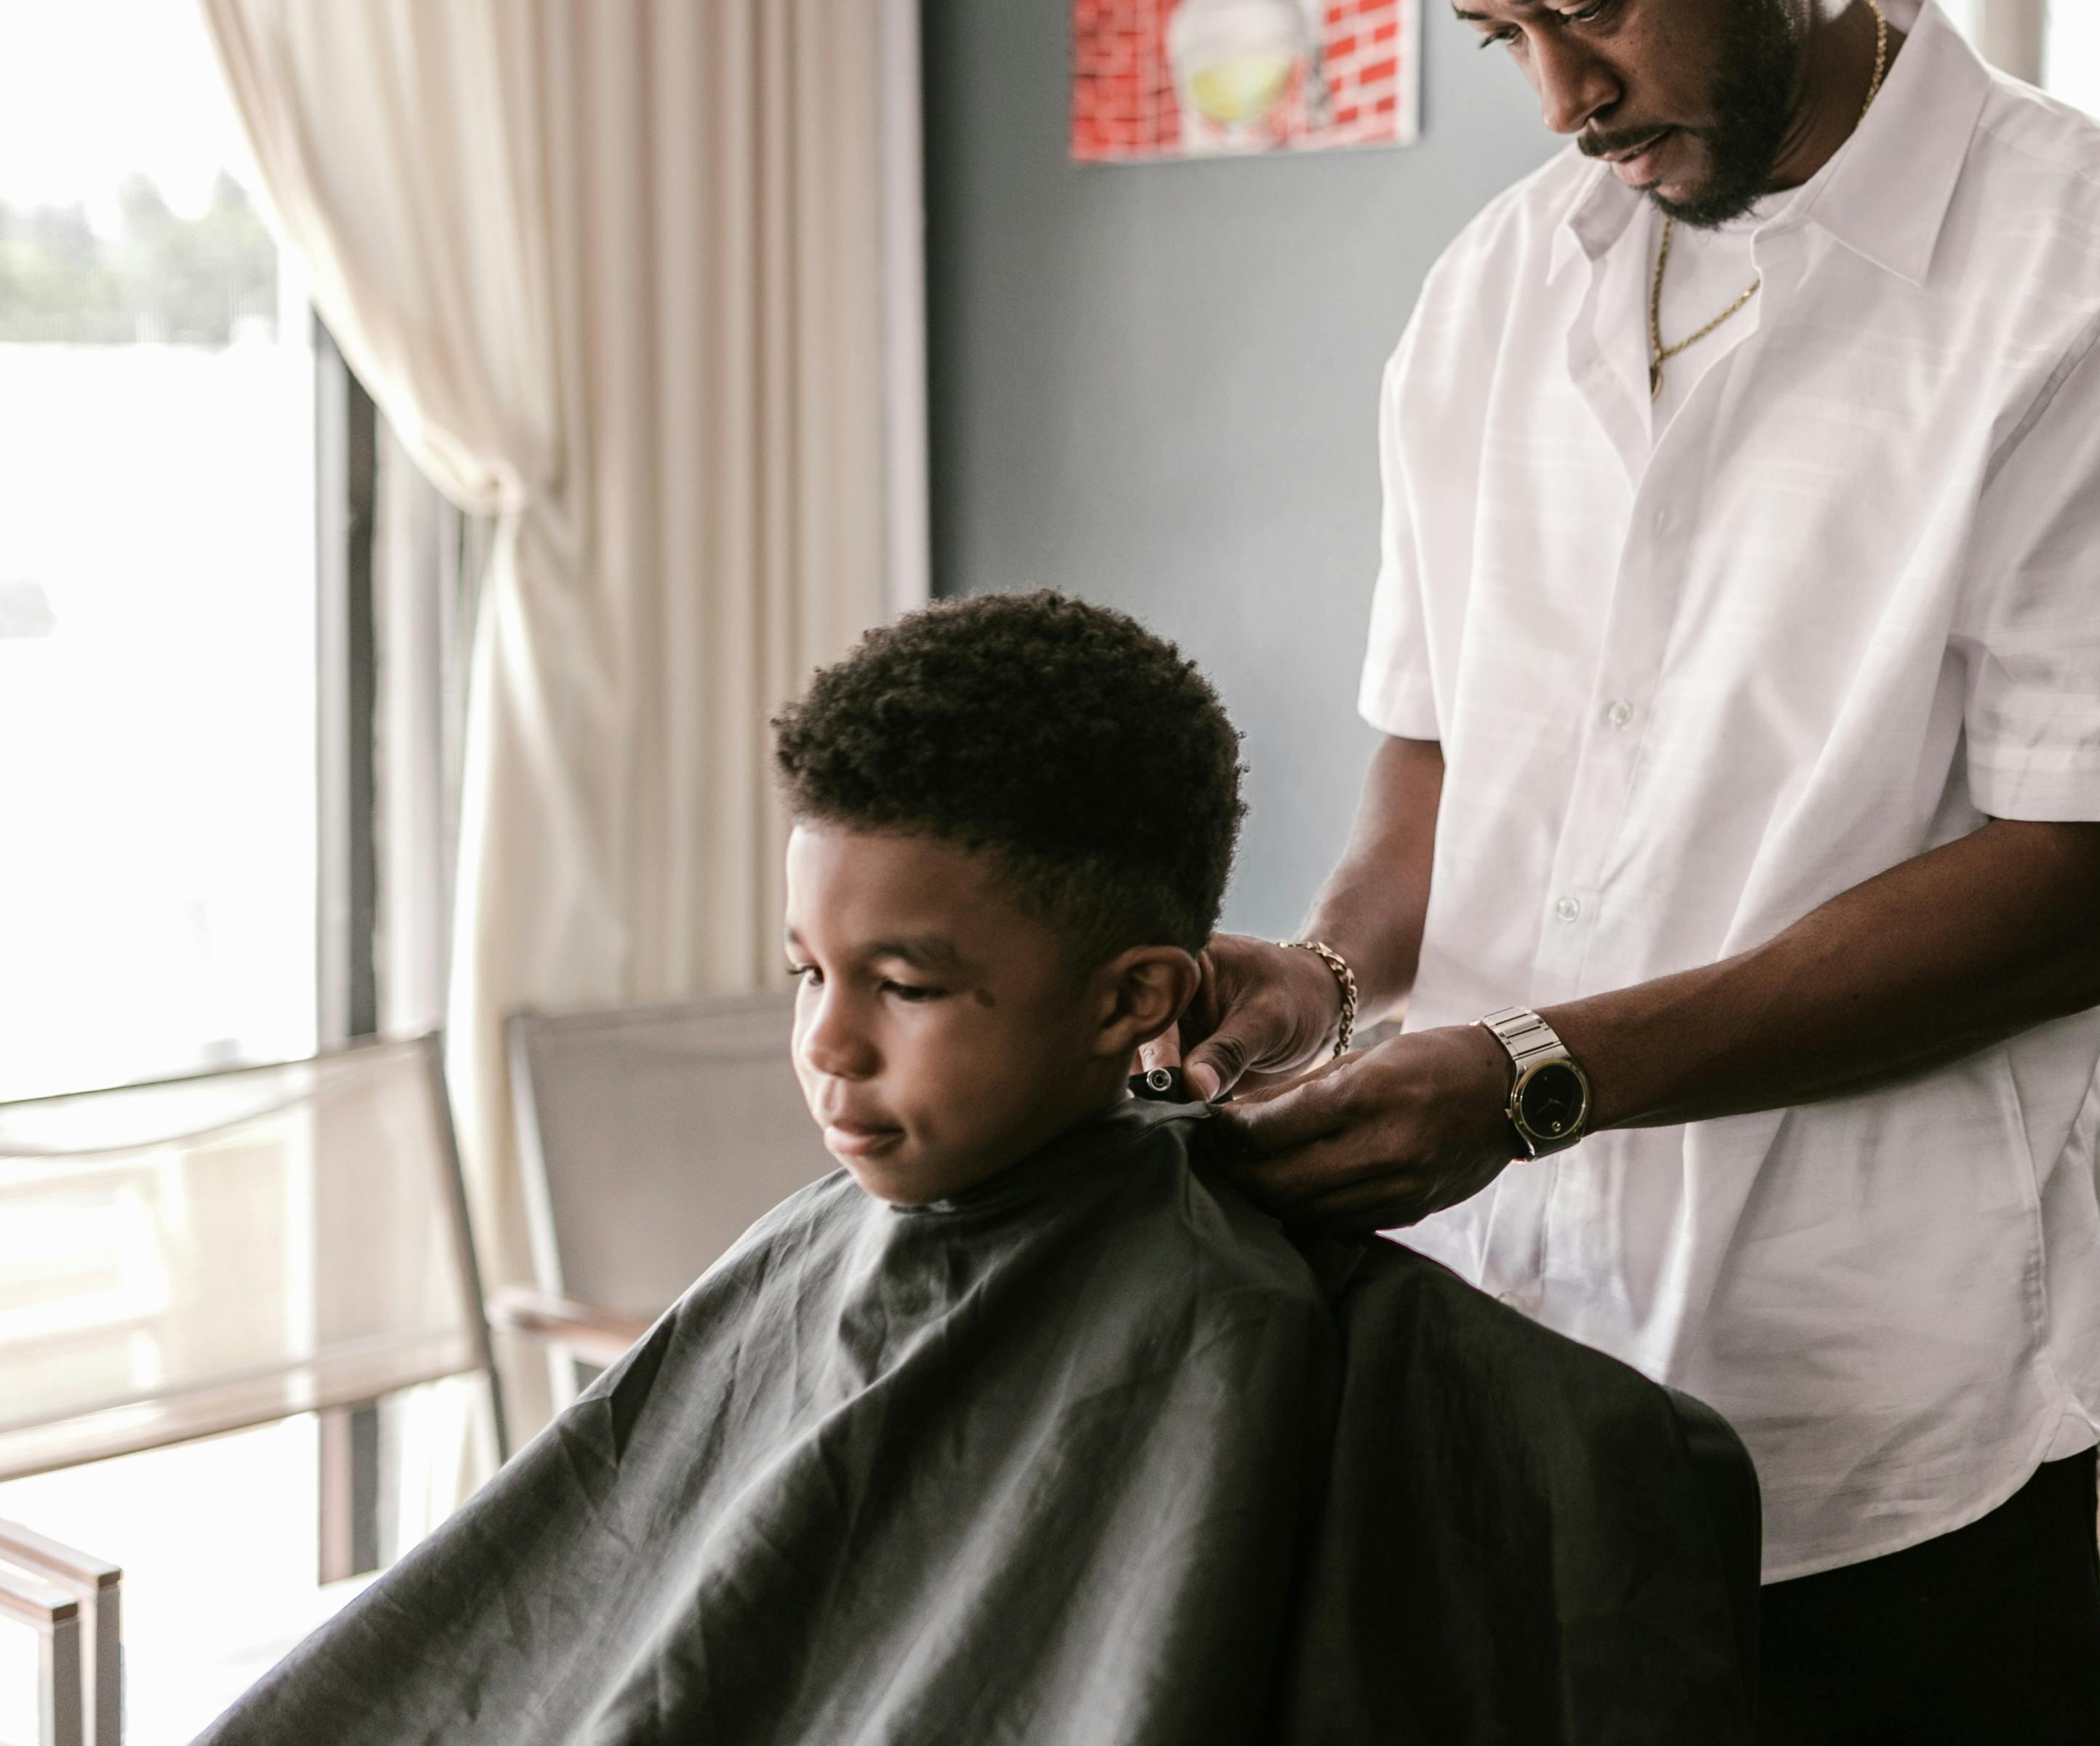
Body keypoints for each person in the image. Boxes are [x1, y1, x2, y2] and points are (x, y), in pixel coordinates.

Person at [1175, 0, 2100, 1744]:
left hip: (1877, 1449)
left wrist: (1526, 1070)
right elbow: (1434, 770)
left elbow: (2077, 888)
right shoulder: (1487, 299)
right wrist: (1323, 981)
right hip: (1503, 1394)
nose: (1559, 94)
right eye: (1499, 31)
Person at [202, 591, 1757, 1744]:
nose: (828, 1044)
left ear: (1137, 995)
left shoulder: (1227, 1318)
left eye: (908, 984)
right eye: (807, 970)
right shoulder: (815, 1250)